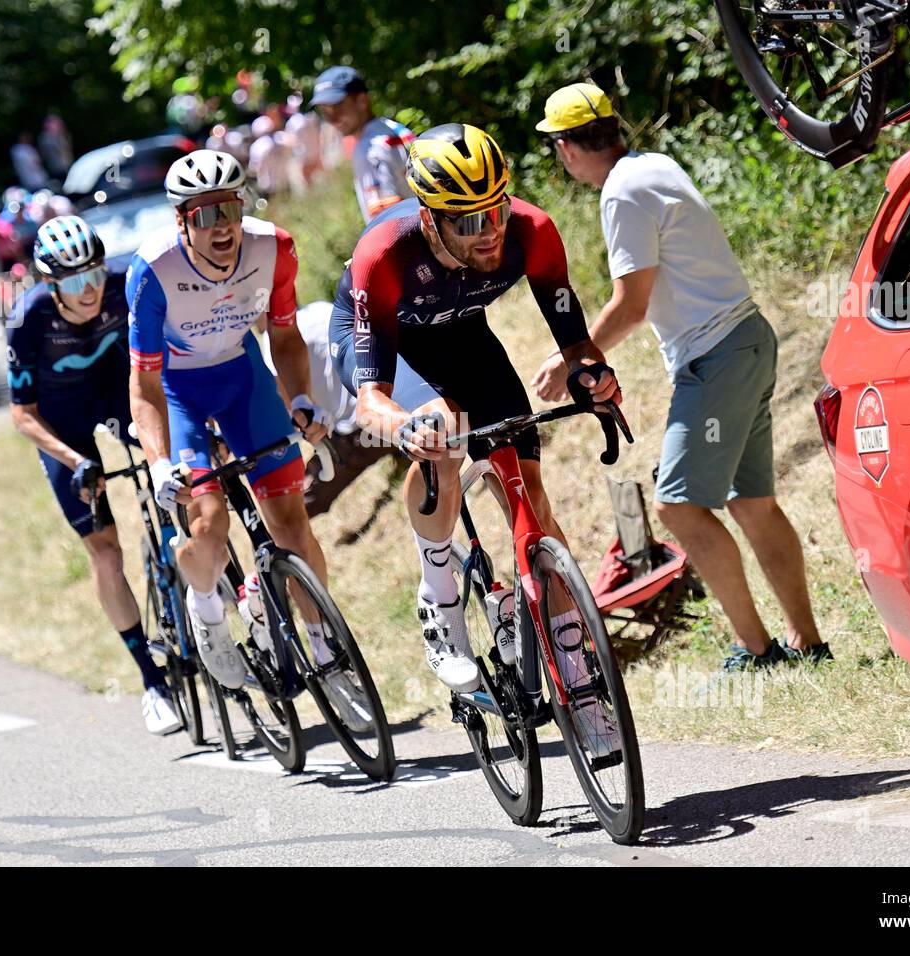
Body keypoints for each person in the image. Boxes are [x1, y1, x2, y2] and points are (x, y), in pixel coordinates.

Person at [327, 121, 621, 743]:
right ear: (430, 220)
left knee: (529, 492)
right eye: (465, 222)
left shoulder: (532, 231)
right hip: (389, 345)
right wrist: (407, 430)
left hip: (461, 334)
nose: (488, 234)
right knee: (444, 429)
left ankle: (574, 665)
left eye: (495, 212)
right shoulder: (385, 254)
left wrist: (594, 378)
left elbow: (576, 343)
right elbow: (372, 401)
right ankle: (439, 594)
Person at [533, 81, 828, 671]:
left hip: (717, 358)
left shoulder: (621, 194)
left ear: (567, 148)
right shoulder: (652, 164)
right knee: (752, 503)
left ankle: (758, 650)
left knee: (677, 507)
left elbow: (632, 304)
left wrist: (571, 358)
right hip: (746, 339)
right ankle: (806, 643)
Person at [125, 149, 357, 717]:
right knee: (208, 523)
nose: (220, 225)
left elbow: (283, 337)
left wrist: (299, 397)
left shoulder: (272, 247)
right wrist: (159, 463)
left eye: (228, 207)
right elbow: (145, 385)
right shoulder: (151, 271)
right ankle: (207, 611)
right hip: (179, 392)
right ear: (181, 221)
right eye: (203, 215)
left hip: (242, 377)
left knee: (292, 524)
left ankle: (327, 654)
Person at [6, 215, 181, 735]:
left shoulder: (124, 285)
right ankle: (153, 682)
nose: (89, 290)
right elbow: (22, 414)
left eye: (94, 274)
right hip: (66, 426)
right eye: (74, 281)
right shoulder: (28, 320)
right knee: (106, 551)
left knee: (180, 484)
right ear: (48, 283)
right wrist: (74, 460)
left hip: (121, 397)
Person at [261, 301, 398, 516]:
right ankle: (401, 453)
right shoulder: (322, 308)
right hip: (389, 409)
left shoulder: (272, 348)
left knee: (299, 506)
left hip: (356, 435)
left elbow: (295, 415)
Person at [309, 66, 416, 222]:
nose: (332, 118)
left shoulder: (368, 149)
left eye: (338, 106)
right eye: (325, 110)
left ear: (362, 100)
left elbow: (387, 222)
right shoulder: (391, 127)